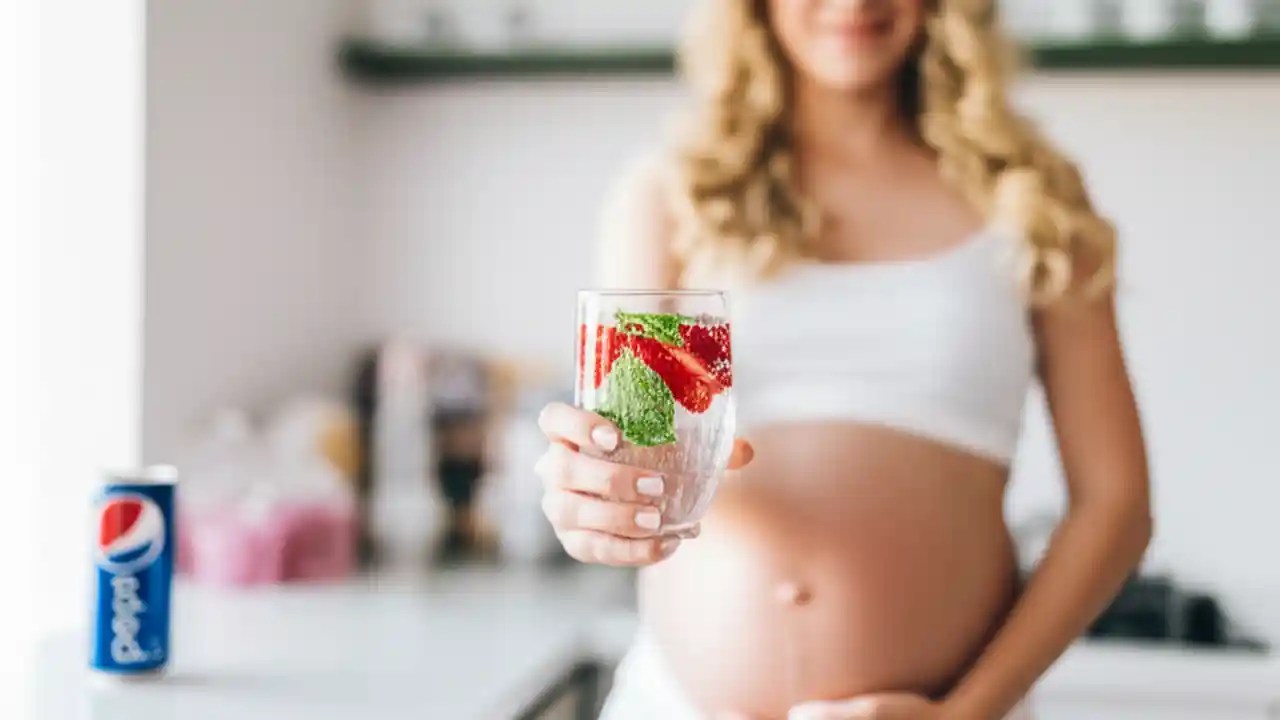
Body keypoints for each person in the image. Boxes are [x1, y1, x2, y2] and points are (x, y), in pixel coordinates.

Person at [534, 1, 1152, 718]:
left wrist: (966, 715)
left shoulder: (1033, 200)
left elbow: (1116, 504)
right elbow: (634, 451)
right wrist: (595, 502)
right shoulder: (676, 197)